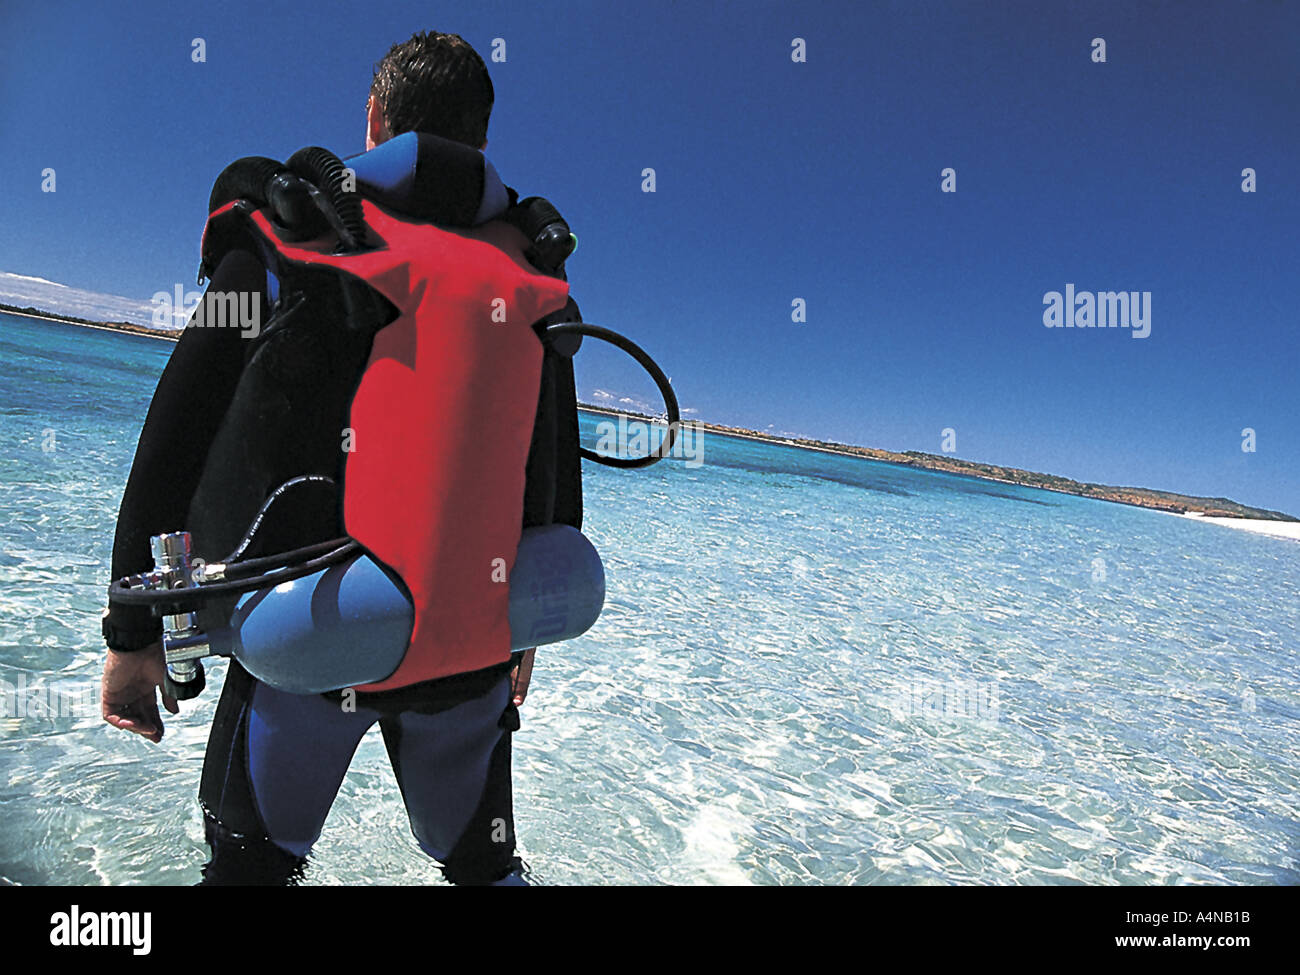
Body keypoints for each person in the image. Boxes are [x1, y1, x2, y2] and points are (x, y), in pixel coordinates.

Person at [100, 30, 583, 886]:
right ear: (481, 139)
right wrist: (526, 632)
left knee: (249, 868)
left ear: (374, 119)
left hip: (309, 644)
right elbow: (549, 469)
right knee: (484, 869)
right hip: (470, 652)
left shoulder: (293, 232)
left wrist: (132, 631)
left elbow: (175, 429)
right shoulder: (529, 273)